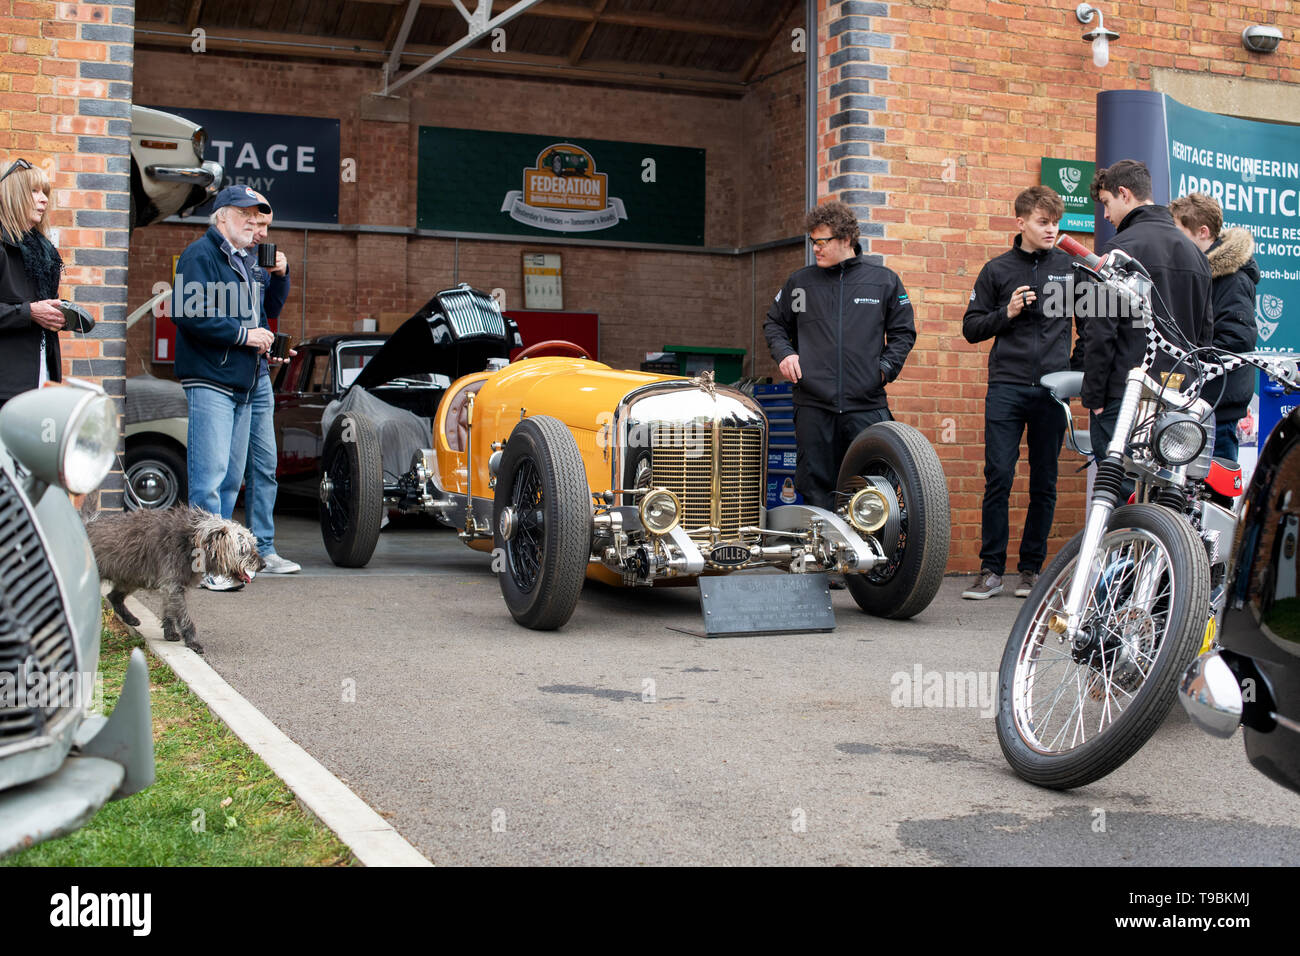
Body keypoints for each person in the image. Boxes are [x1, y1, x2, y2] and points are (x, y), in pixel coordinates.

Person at [961, 186, 1080, 600]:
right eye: (1043, 222)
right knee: (999, 476)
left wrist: (1073, 370)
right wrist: (1006, 313)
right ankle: (990, 569)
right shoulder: (997, 270)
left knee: (1044, 482)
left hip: (1052, 390)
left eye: (1056, 222)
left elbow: (1093, 324)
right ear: (1021, 223)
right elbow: (971, 328)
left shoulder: (1071, 267)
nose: (1052, 230)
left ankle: (1030, 571)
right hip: (1007, 388)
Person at [764, 199, 916, 516]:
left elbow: (904, 333)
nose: (816, 248)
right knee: (816, 489)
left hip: (866, 406)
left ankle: (870, 561)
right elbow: (774, 323)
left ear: (846, 239)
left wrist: (884, 370)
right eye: (813, 241)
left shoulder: (883, 281)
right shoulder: (800, 283)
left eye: (823, 241)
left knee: (874, 486)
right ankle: (825, 560)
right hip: (813, 406)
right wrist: (785, 353)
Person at [172, 184, 275, 591]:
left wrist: (261, 339)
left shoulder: (247, 262)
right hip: (211, 379)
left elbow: (264, 313)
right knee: (209, 479)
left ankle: (221, 561)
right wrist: (244, 336)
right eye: (244, 214)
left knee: (231, 479)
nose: (253, 222)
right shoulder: (200, 254)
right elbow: (188, 312)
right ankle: (206, 567)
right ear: (221, 217)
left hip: (242, 381)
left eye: (257, 216)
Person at [1084, 160, 1213, 460]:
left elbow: (1100, 330)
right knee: (1168, 495)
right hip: (1180, 396)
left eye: (1106, 203)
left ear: (1124, 194)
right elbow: (1205, 336)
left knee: (1119, 493)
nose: (1105, 214)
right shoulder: (1197, 255)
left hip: (1126, 395)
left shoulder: (1117, 252)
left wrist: (1094, 397)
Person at [224, 190, 300, 575]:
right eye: (254, 224)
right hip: (230, 374)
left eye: (266, 226)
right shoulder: (227, 259)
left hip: (257, 375)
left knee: (265, 464)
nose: (261, 233)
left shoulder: (258, 262)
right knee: (230, 469)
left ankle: (263, 549)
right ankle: (220, 553)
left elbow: (270, 311)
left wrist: (282, 276)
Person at [1168, 191, 1259, 463]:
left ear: (1203, 232)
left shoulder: (1232, 280)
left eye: (1179, 231)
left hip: (1217, 406)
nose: (1174, 241)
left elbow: (1237, 339)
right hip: (1200, 402)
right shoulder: (1201, 274)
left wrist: (1188, 358)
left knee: (1215, 496)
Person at [0, 159, 65, 407]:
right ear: (13, 195)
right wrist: (29, 312)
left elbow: (37, 308)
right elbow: (28, 309)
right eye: (35, 191)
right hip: (6, 387)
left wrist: (61, 313)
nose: (44, 199)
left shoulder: (43, 251)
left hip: (40, 380)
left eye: (45, 192)